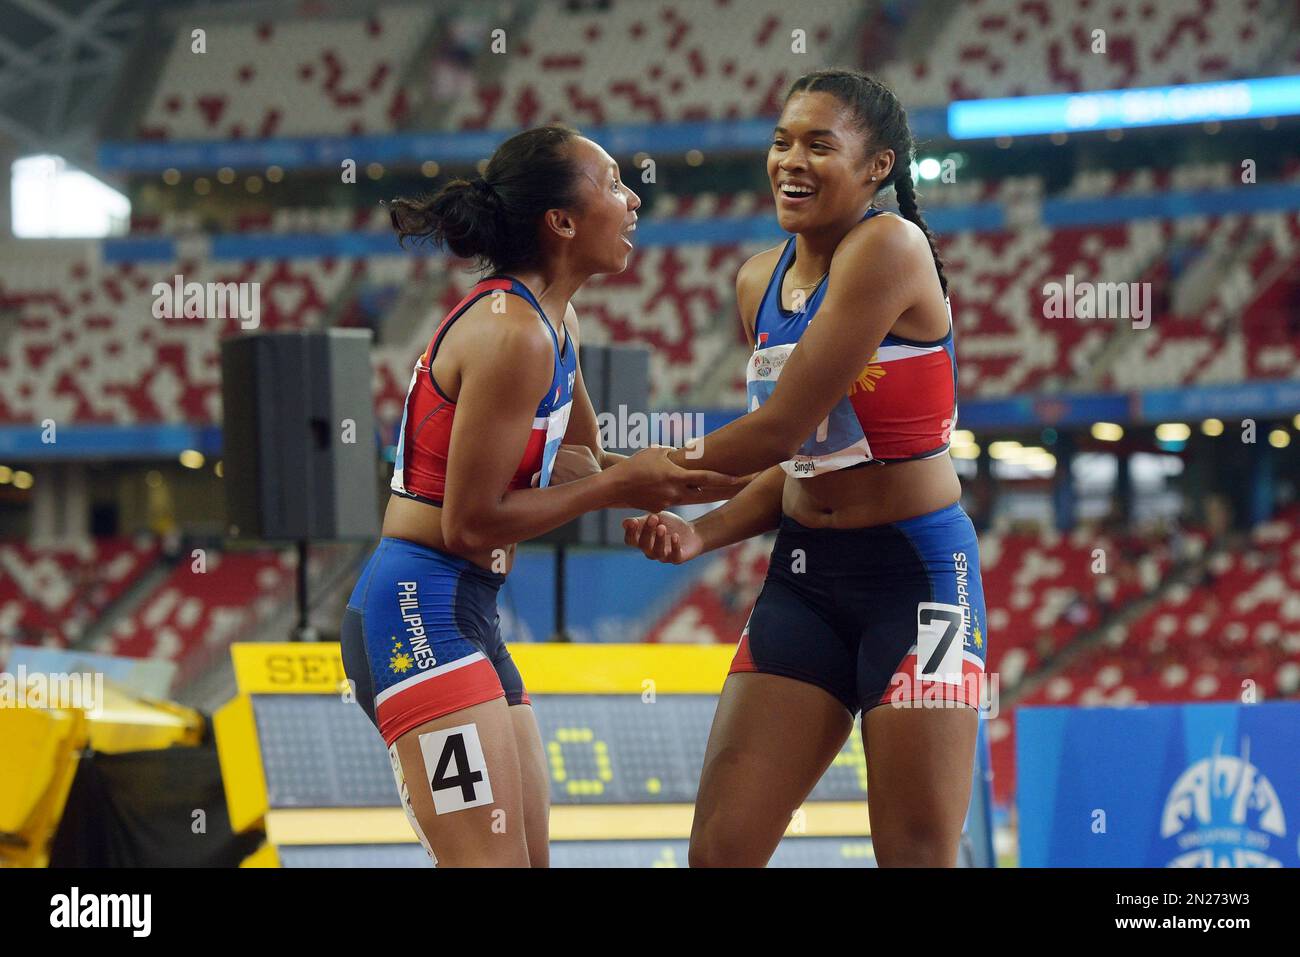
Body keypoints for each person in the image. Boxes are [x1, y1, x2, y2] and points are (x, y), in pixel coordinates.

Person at [341, 125, 738, 867]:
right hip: (417, 606)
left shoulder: (556, 320)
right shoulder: (513, 334)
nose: (633, 199)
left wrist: (713, 481)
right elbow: (468, 522)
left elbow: (581, 461)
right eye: (614, 183)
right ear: (560, 222)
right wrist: (624, 483)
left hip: (469, 610)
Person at [623, 70, 988, 867]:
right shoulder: (758, 280)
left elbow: (774, 426)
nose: (792, 158)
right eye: (782, 141)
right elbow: (796, 458)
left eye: (821, 144)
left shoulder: (890, 247)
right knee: (720, 849)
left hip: (917, 580)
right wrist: (699, 533)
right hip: (803, 579)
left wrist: (630, 473)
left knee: (916, 854)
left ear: (876, 167)